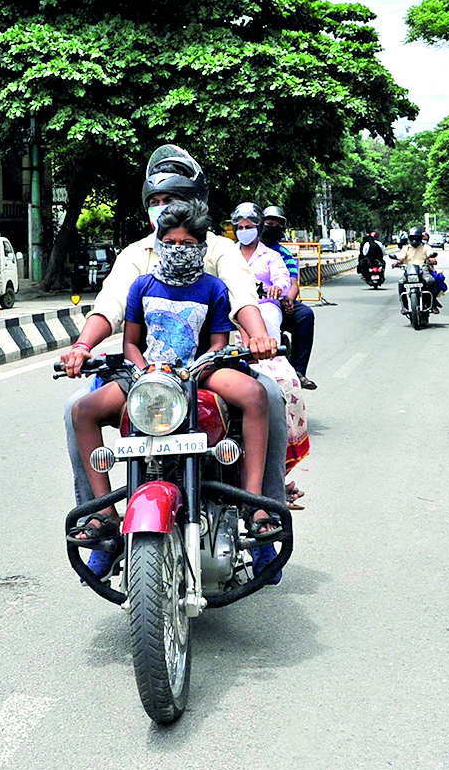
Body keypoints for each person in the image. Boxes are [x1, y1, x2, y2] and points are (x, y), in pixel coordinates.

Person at [59, 145, 284, 577]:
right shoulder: (136, 256)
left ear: (195, 205)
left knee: (267, 395)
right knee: (75, 408)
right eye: (155, 202)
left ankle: (261, 517)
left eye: (173, 201)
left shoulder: (218, 249)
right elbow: (109, 308)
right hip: (147, 374)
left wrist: (257, 335)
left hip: (208, 366)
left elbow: (240, 297)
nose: (162, 211)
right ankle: (101, 516)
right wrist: (82, 346)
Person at [70, 201, 274, 534]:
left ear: (202, 246)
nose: (179, 250)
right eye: (172, 243)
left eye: (188, 244)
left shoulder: (215, 286)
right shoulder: (141, 284)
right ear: (158, 243)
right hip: (148, 376)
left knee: (256, 395)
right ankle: (104, 511)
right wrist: (143, 371)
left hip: (199, 371)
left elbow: (219, 341)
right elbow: (131, 342)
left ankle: (255, 502)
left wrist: (199, 366)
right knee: (81, 411)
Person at [258, 205, 318, 390]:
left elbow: (292, 282)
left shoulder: (283, 254)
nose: (272, 227)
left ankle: (298, 371)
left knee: (305, 315)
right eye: (269, 223)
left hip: (276, 304)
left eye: (277, 224)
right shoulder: (238, 251)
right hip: (248, 304)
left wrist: (288, 299)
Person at [230, 202, 291, 339]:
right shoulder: (227, 254)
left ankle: (272, 356)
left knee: (268, 319)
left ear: (258, 228)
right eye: (240, 227)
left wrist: (278, 287)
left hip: (264, 306)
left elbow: (282, 277)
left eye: (249, 227)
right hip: (232, 306)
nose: (244, 230)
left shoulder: (271, 256)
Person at [393, 226, 442, 313]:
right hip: (409, 272)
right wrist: (397, 262)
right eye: (412, 238)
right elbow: (401, 257)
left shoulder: (426, 247)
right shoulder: (406, 248)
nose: (414, 241)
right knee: (401, 282)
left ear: (420, 238)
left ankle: (433, 302)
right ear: (409, 239)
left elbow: (430, 255)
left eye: (416, 238)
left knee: (431, 281)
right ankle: (404, 305)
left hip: (423, 271)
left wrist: (432, 260)